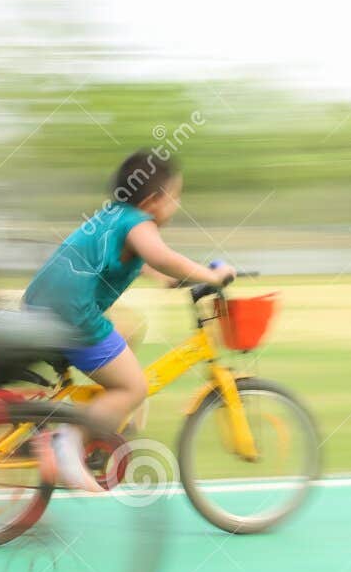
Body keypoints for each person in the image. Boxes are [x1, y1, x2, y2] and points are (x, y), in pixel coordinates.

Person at [22, 150, 232, 490]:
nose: (177, 206)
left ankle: (109, 418)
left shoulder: (113, 217)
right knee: (134, 386)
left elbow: (149, 265)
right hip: (74, 315)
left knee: (128, 328)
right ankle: (68, 441)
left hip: (41, 303)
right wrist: (212, 277)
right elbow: (162, 257)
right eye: (174, 197)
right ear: (152, 201)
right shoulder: (138, 222)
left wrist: (170, 279)